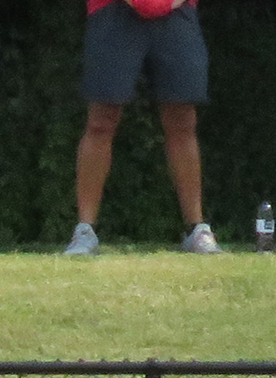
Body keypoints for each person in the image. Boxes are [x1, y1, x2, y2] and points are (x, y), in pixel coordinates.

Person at [63, 0, 220, 256]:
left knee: (182, 121)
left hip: (177, 12)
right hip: (112, 11)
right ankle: (84, 231)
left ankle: (197, 229)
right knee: (101, 121)